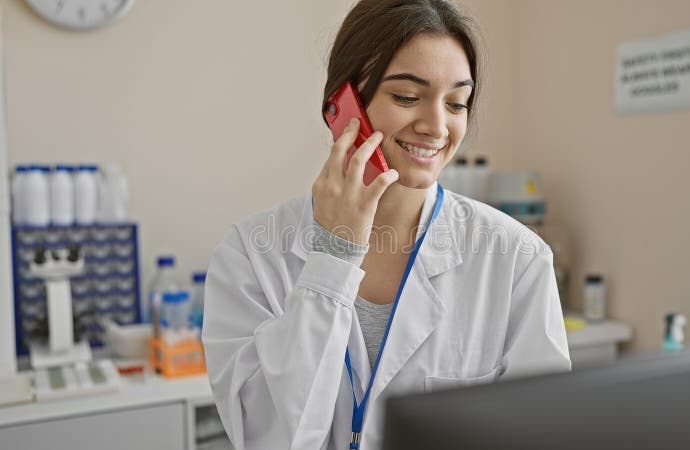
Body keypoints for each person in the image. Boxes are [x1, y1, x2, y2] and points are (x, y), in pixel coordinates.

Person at [202, 1, 571, 449]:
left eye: (456, 103)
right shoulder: (251, 254)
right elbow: (274, 440)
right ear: (342, 104)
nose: (437, 127)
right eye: (406, 97)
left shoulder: (517, 259)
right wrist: (333, 258)